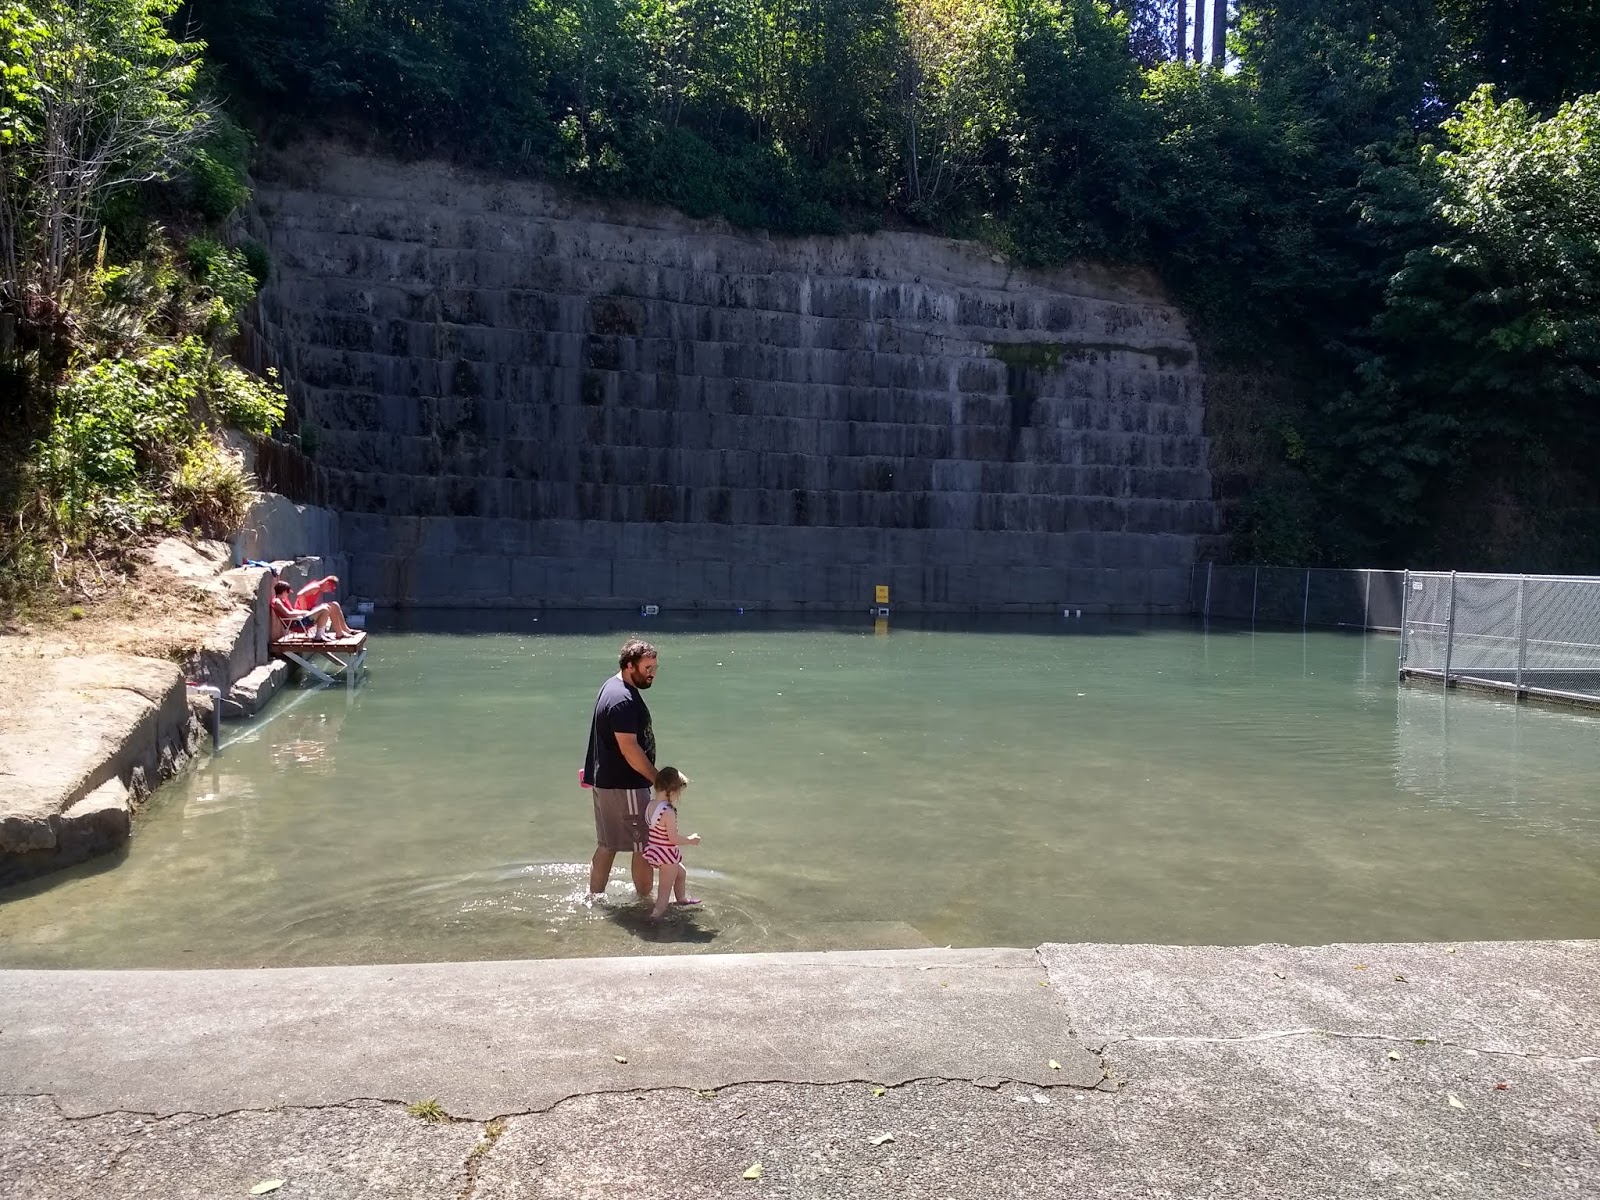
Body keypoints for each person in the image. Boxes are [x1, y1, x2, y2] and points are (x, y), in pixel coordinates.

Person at [582, 639, 662, 903]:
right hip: (625, 785)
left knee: (608, 844)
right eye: (647, 667)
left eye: (655, 667)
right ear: (630, 666)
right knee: (644, 846)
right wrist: (657, 780)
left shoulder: (613, 687)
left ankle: (593, 901)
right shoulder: (622, 700)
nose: (652, 672)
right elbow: (629, 749)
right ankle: (645, 902)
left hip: (608, 783)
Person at [641, 766, 701, 920]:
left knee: (681, 873)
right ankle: (654, 919)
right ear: (672, 791)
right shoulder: (667, 811)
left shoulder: (651, 805)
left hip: (654, 851)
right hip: (667, 857)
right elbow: (673, 839)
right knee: (663, 896)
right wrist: (690, 840)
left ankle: (681, 899)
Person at [269, 580, 352, 641]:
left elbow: (292, 612)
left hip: (299, 620)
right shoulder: (277, 602)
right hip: (296, 624)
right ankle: (319, 635)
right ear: (283, 591)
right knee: (324, 609)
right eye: (287, 592)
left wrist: (306, 613)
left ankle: (321, 634)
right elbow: (289, 614)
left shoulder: (282, 600)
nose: (288, 594)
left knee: (326, 608)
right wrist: (305, 612)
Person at [287, 577, 356, 636]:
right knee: (329, 606)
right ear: (327, 583)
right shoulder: (316, 587)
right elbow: (300, 594)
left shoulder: (318, 588)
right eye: (330, 588)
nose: (329, 591)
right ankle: (340, 632)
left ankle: (343, 630)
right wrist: (305, 610)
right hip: (303, 614)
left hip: (309, 610)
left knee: (335, 605)